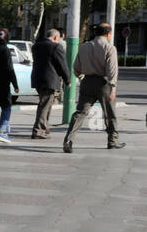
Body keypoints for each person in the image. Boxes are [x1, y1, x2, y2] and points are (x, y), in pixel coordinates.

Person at [64, 23, 124, 152]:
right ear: (108, 34)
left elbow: (76, 68)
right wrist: (113, 88)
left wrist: (81, 77)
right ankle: (112, 141)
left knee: (80, 113)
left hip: (87, 82)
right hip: (104, 84)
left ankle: (68, 140)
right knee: (110, 114)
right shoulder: (109, 48)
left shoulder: (84, 46)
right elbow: (112, 71)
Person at [30, 28, 69, 139]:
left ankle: (44, 128)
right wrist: (67, 80)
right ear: (56, 37)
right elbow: (62, 65)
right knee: (45, 105)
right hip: (50, 80)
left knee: (46, 104)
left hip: (37, 79)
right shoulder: (56, 47)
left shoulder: (36, 46)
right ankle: (38, 131)